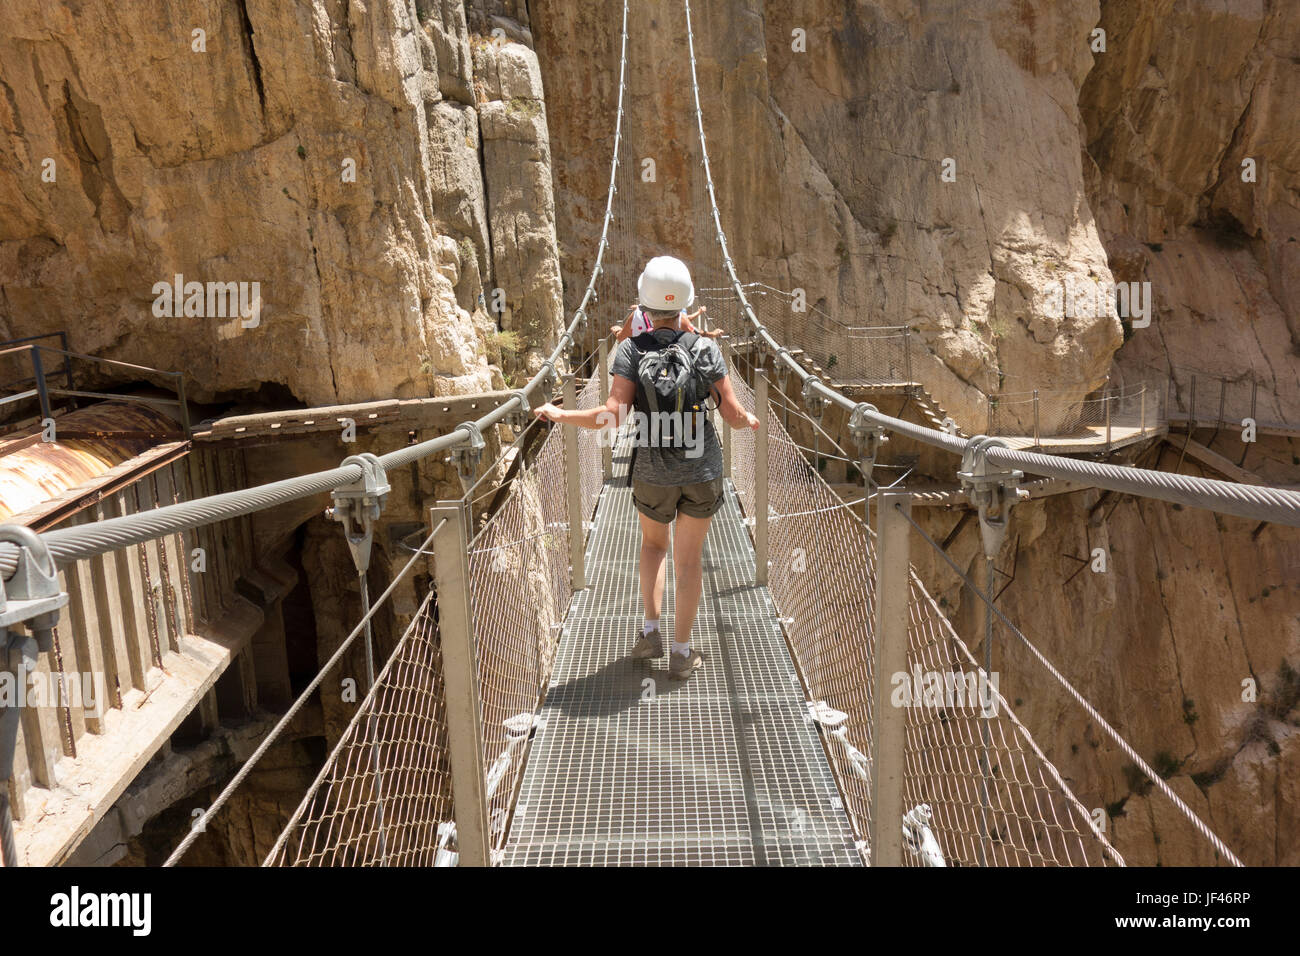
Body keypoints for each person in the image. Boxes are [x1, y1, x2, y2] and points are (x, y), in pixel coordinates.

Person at [535, 256, 760, 679]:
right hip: (702, 470)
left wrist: (561, 415)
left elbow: (611, 417)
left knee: (654, 546)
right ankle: (681, 652)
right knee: (688, 561)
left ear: (643, 305)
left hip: (652, 473)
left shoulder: (631, 350)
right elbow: (730, 414)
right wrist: (745, 418)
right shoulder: (707, 349)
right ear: (686, 304)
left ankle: (651, 631)